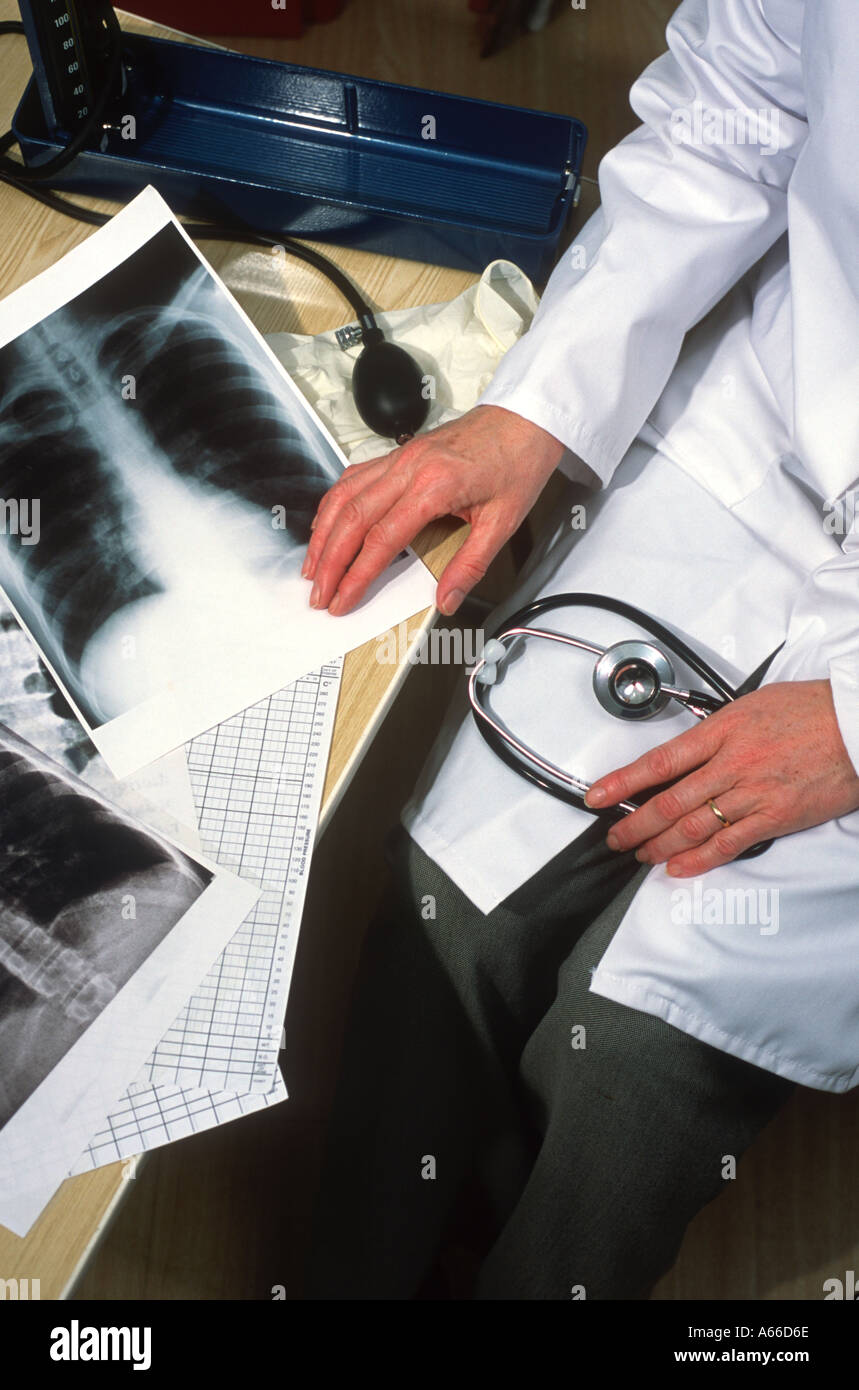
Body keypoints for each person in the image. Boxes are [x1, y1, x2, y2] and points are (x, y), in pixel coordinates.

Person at [302, 0, 859, 1299]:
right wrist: (532, 407)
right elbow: (737, 113)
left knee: (636, 1056)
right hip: (765, 433)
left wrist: (849, 725)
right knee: (448, 919)